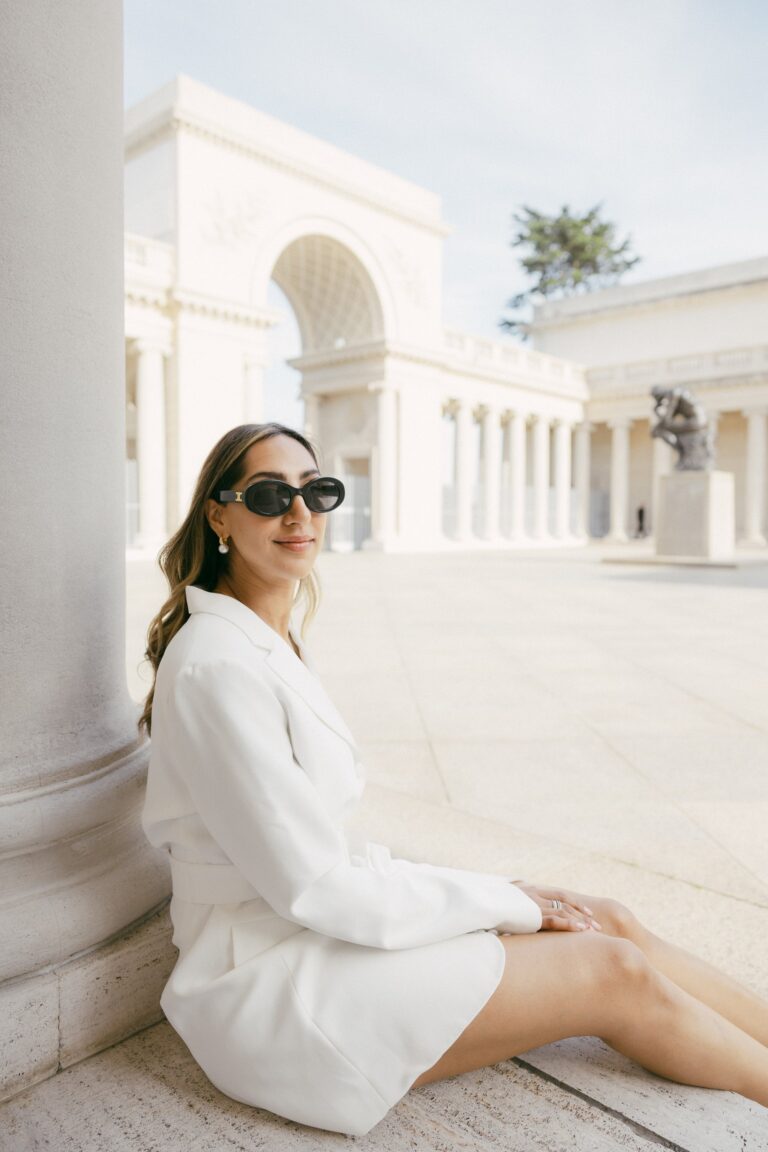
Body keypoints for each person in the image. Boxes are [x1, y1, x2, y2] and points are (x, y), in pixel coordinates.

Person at [139, 422, 768, 1136]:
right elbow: (318, 885)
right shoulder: (218, 664)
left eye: (318, 491)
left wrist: (504, 899)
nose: (299, 512)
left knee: (610, 917)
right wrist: (508, 901)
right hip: (268, 983)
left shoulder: (265, 639)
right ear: (218, 512)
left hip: (311, 935)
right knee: (610, 970)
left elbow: (330, 853)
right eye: (269, 494)